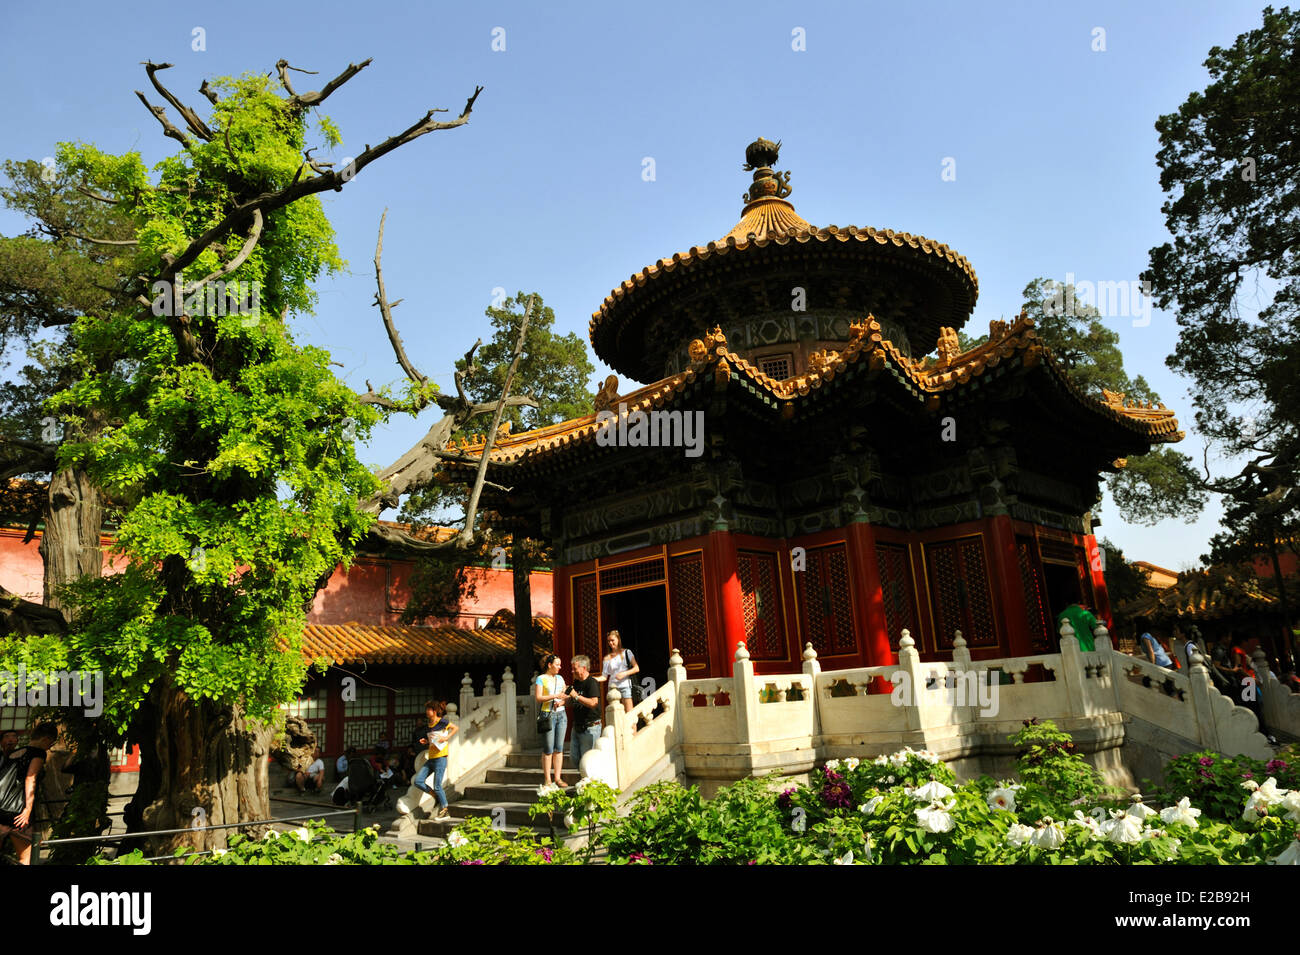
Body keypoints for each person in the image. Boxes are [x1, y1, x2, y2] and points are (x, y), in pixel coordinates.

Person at [0, 722, 57, 865]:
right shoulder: (38, 754)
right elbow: (30, 778)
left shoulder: (14, 753)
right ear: (45, 739)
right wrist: (27, 809)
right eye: (51, 743)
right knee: (27, 856)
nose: (50, 747)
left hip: (1, 808)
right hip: (18, 813)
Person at [412, 700, 458, 818]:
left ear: (434, 711)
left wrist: (446, 737)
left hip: (440, 758)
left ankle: (445, 809)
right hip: (431, 757)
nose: (427, 712)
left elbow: (455, 728)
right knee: (418, 781)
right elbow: (433, 740)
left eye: (429, 710)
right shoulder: (429, 724)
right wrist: (426, 741)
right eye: (427, 710)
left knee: (437, 785)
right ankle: (435, 796)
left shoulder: (442, 722)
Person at [535, 654, 569, 787]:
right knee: (548, 748)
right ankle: (547, 779)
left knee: (559, 748)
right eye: (557, 664)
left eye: (560, 664)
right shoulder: (540, 679)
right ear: (549, 665)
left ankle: (558, 778)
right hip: (547, 715)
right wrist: (555, 696)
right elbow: (538, 697)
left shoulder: (560, 678)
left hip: (561, 714)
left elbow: (565, 694)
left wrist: (561, 702)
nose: (559, 667)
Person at [567, 655, 602, 770]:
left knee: (588, 761)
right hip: (577, 726)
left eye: (575, 668)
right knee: (574, 758)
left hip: (590, 727)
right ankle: (583, 783)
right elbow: (574, 700)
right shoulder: (576, 682)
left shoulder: (592, 682)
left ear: (584, 668)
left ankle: (590, 784)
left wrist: (576, 696)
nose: (572, 671)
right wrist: (561, 703)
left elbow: (593, 703)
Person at [598, 630, 640, 713]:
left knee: (629, 714)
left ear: (618, 640)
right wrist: (591, 678)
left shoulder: (626, 652)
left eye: (612, 640)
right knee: (615, 715)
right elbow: (604, 677)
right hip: (612, 688)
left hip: (625, 686)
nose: (610, 643)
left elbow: (636, 668)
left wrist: (624, 673)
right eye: (609, 641)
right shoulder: (607, 658)